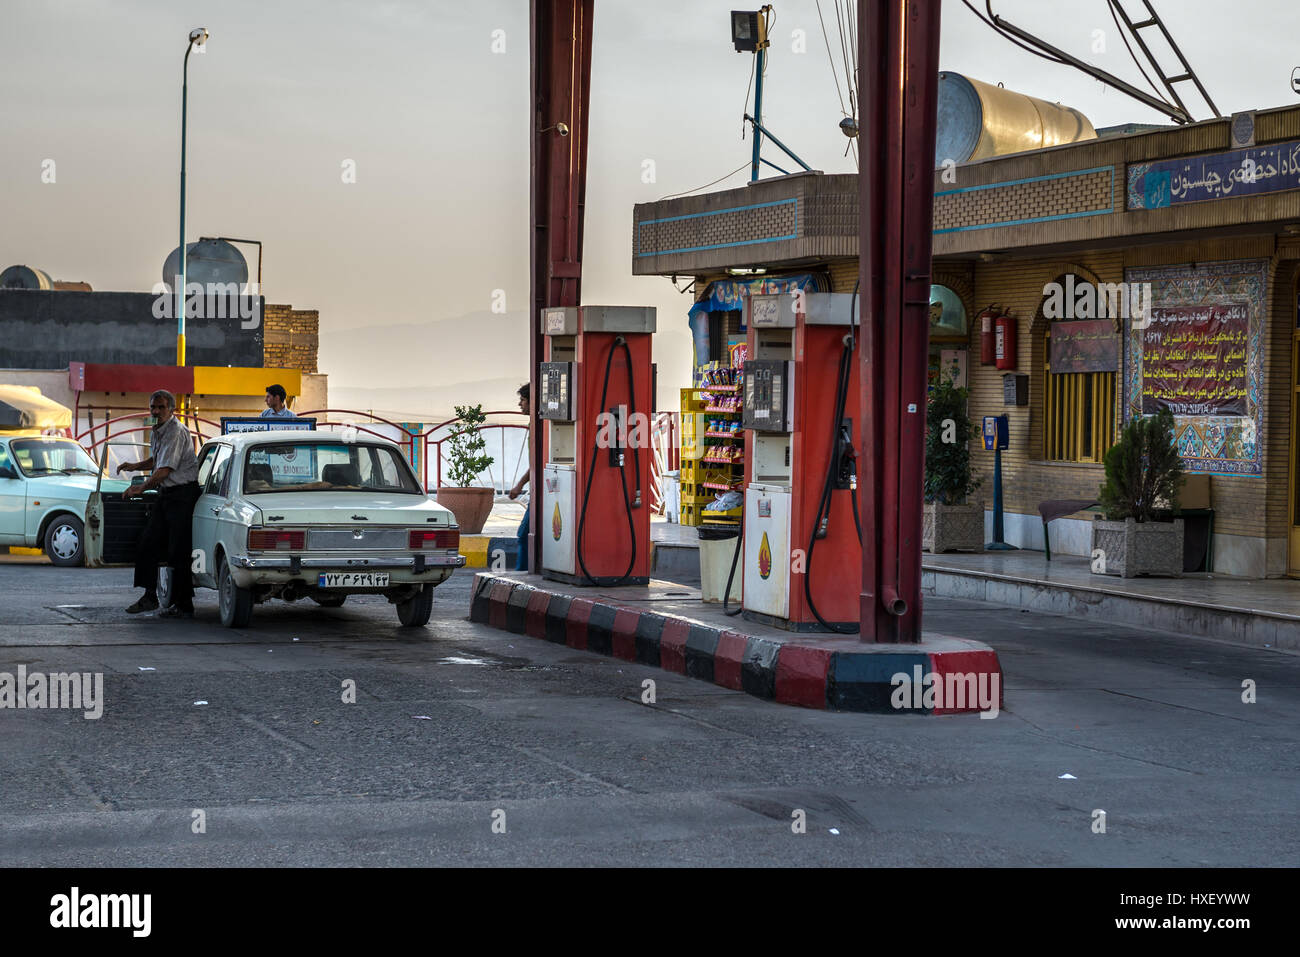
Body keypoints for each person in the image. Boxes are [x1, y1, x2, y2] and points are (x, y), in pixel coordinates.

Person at [119, 390, 202, 618]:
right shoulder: (158, 430)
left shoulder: (175, 431)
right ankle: (149, 597)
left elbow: (165, 470)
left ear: (172, 409)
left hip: (182, 495)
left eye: (161, 407)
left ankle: (184, 604)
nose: (156, 411)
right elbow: (158, 459)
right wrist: (135, 466)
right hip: (167, 494)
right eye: (153, 407)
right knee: (148, 542)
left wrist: (141, 487)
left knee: (178, 550)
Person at [507, 382, 531, 571]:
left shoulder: (542, 425)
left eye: (523, 400)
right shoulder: (535, 424)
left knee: (524, 534)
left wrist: (518, 486)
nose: (520, 405)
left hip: (544, 492)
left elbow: (538, 463)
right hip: (540, 490)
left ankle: (521, 573)